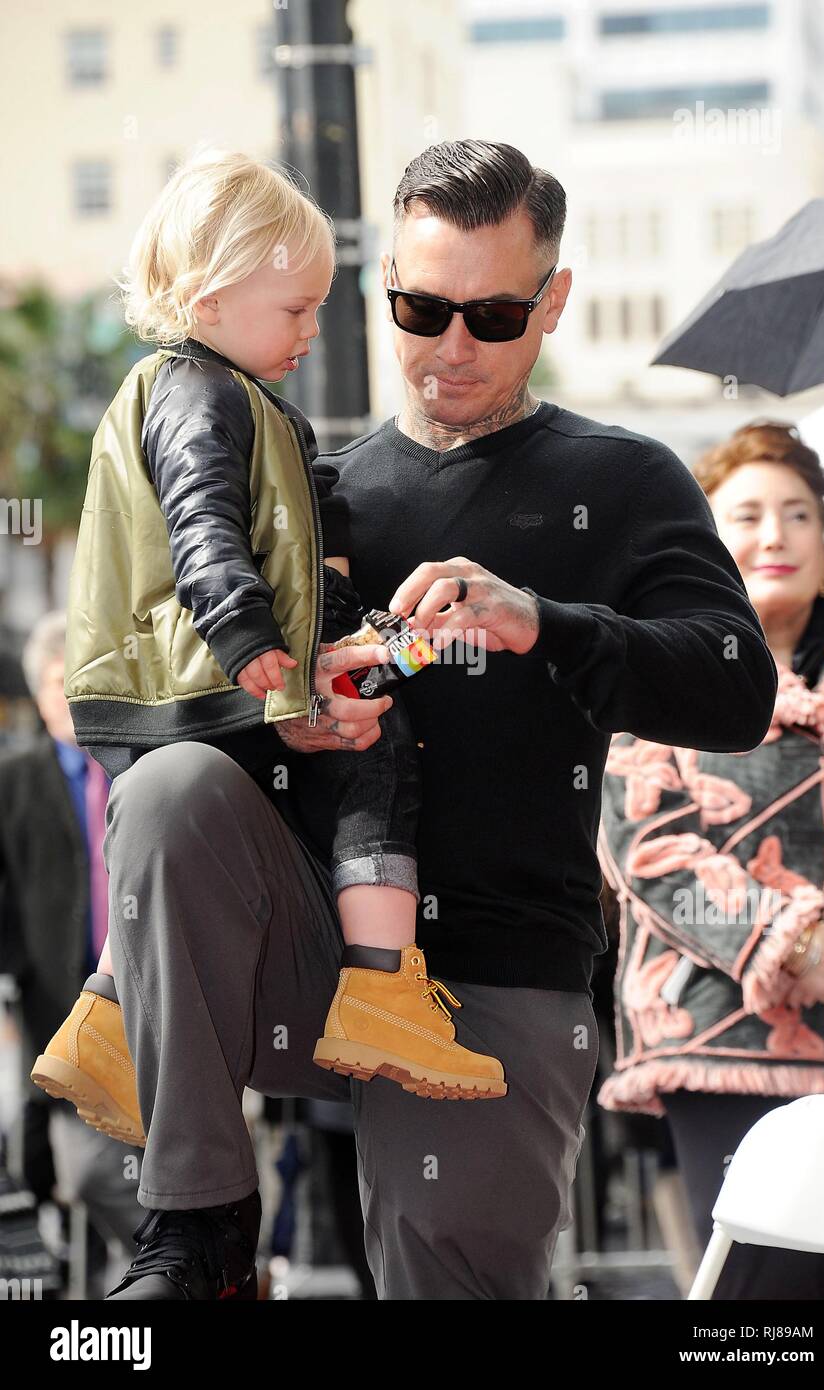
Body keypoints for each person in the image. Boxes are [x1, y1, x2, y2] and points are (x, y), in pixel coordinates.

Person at [74, 138, 775, 1301]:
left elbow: (734, 685)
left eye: (495, 314)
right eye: (420, 305)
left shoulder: (631, 478)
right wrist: (287, 719)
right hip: (312, 949)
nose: (451, 345)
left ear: (555, 302)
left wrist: (544, 622)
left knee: (453, 1276)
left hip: (501, 967)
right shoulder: (313, 483)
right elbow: (206, 689)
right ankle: (198, 1231)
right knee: (165, 785)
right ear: (378, 283)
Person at [30, 148, 505, 1159]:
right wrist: (252, 640)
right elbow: (205, 528)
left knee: (208, 834)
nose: (313, 329)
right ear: (208, 297)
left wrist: (361, 642)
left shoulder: (234, 398)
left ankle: (113, 1014)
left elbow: (296, 564)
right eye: (294, 308)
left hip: (192, 676)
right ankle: (381, 982)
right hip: (201, 670)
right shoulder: (200, 395)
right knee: (376, 761)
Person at [597, 421, 824, 1299]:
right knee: (759, 1301)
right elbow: (648, 848)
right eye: (747, 514)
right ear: (711, 538)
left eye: (797, 514)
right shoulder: (661, 665)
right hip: (719, 1032)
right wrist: (789, 941)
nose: (776, 535)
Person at [0, 612, 142, 1277]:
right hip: (56, 998)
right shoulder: (16, 775)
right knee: (75, 1164)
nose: (69, 695)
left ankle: (146, 1270)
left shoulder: (136, 764)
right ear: (38, 690)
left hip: (145, 991)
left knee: (135, 1150)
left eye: (79, 678)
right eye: (57, 682)